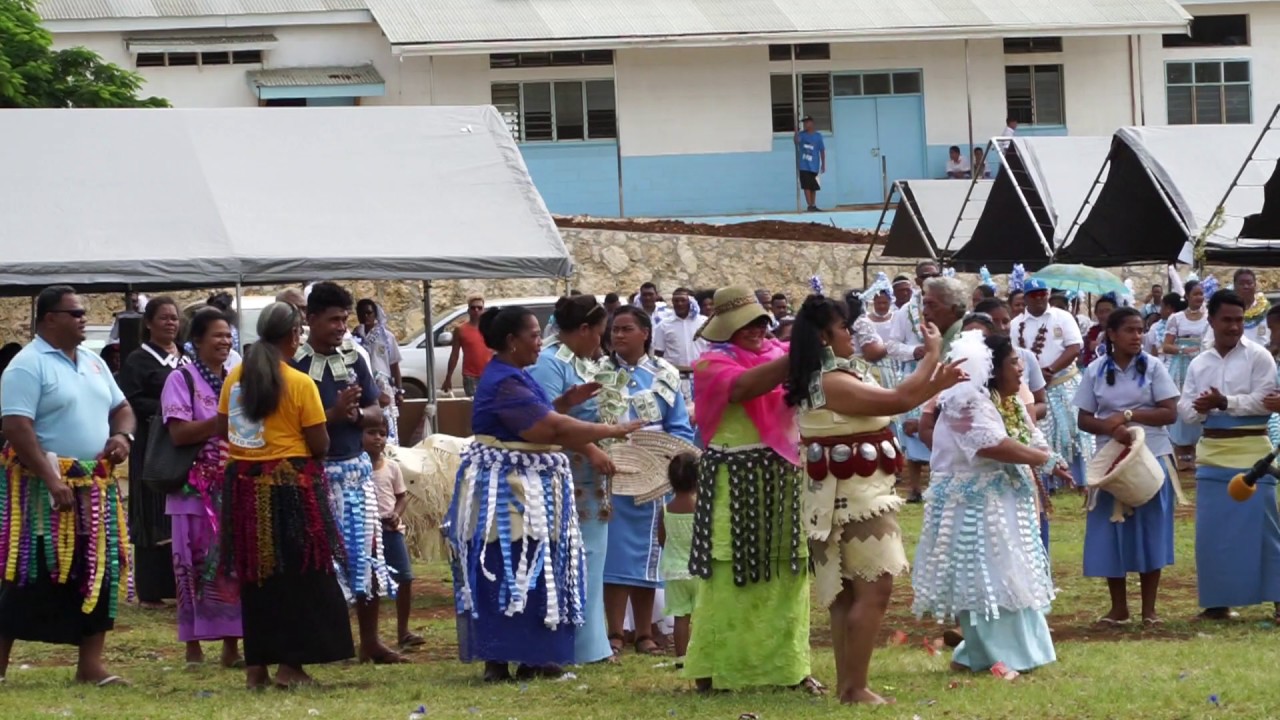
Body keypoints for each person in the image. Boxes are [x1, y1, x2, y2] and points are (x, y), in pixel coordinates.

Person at [444, 305, 640, 682]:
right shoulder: (505, 381)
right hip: (508, 491)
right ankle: (509, 658)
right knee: (513, 565)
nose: (540, 342)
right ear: (511, 341)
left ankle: (525, 658)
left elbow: (539, 416)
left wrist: (566, 402)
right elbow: (548, 429)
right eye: (534, 335)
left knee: (528, 562)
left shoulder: (513, 374)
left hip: (524, 487)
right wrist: (610, 431)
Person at [785, 295, 962, 704]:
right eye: (843, 327)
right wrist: (932, 355)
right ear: (824, 337)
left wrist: (933, 375)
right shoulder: (832, 381)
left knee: (847, 595)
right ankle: (854, 686)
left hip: (840, 496)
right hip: (856, 499)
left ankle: (851, 685)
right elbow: (897, 400)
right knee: (872, 591)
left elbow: (902, 396)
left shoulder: (829, 377)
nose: (851, 333)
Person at [683, 287, 821, 694]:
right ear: (727, 328)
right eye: (745, 323)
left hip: (783, 481)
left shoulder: (780, 353)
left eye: (760, 321)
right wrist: (802, 352)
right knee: (728, 571)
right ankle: (715, 670)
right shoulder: (711, 364)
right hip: (734, 484)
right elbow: (743, 388)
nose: (756, 329)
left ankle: (790, 669)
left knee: (787, 569)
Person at [0, 286, 135, 685]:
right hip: (43, 491)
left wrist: (122, 436)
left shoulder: (93, 361)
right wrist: (49, 477)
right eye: (75, 313)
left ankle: (90, 666)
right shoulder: (27, 365)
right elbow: (16, 427)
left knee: (97, 571)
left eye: (83, 312)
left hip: (93, 487)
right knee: (29, 574)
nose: (83, 319)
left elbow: (122, 407)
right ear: (49, 318)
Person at [216, 301, 351, 688]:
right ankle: (291, 667)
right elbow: (320, 444)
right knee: (301, 578)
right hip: (292, 491)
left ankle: (256, 668)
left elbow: (225, 431)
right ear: (294, 335)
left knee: (257, 577)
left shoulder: (236, 378)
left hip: (246, 491)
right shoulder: (299, 383)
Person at [913, 331, 1056, 678]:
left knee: (1011, 572)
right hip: (972, 506)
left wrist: (1049, 457)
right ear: (992, 369)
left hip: (1003, 501)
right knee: (986, 575)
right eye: (1013, 362)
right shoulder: (964, 401)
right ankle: (994, 655)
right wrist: (1040, 458)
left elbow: (1031, 437)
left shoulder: (1008, 402)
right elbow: (990, 444)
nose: (1021, 368)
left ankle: (999, 653)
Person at [293, 282, 400, 664]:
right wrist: (333, 414)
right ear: (311, 319)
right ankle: (327, 644)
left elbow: (376, 411)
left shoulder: (354, 358)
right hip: (314, 473)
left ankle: (370, 642)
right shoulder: (294, 365)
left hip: (355, 472)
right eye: (333, 320)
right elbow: (291, 423)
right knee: (319, 561)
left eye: (344, 319)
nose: (341, 327)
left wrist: (354, 416)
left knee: (366, 554)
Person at [599, 306, 696, 657]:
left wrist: (667, 462)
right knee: (613, 555)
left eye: (627, 329)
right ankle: (614, 632)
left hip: (654, 474)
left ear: (645, 333)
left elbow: (679, 426)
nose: (619, 335)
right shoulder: (598, 373)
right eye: (615, 329)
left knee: (648, 555)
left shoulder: (663, 373)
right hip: (610, 471)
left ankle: (644, 631)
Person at [1178, 290, 1280, 622]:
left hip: (1254, 454)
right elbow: (1185, 409)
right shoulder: (1199, 363)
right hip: (1212, 454)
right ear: (1211, 320)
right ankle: (1217, 603)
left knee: (1265, 530)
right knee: (1212, 533)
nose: (1234, 327)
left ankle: (1278, 600)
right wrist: (1200, 407)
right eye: (1227, 320)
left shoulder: (1259, 356)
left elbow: (1265, 401)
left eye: (1239, 320)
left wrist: (1225, 402)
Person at [1075, 307, 1180, 626]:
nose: (1137, 336)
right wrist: (1112, 429)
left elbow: (1169, 413)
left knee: (1151, 528)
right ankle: (1118, 608)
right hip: (1111, 460)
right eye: (1130, 330)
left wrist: (1130, 417)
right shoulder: (1095, 370)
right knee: (1112, 530)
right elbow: (1084, 419)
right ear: (1112, 334)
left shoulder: (1154, 367)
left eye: (1140, 330)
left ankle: (1150, 609)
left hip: (1151, 456)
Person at [528, 295, 617, 665]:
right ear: (583, 329)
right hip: (565, 474)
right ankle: (573, 644)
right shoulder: (549, 363)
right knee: (570, 558)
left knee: (591, 559)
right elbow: (544, 422)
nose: (600, 341)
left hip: (589, 476)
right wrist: (592, 449)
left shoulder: (579, 361)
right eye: (598, 333)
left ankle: (592, 644)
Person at [160, 308, 242, 667]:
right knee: (191, 564)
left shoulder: (236, 380)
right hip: (192, 491)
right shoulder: (181, 379)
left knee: (230, 565)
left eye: (228, 335)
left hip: (232, 487)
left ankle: (231, 647)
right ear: (197, 341)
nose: (225, 341)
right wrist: (220, 423)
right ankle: (192, 646)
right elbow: (178, 433)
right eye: (217, 335)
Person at [118, 296, 188, 609]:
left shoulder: (186, 358)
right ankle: (150, 589)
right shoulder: (139, 360)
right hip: (152, 444)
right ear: (149, 323)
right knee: (151, 509)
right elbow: (129, 400)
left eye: (175, 318)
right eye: (164, 318)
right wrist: (170, 407)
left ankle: (180, 583)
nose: (171, 323)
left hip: (183, 444)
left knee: (180, 508)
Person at [1011, 278, 1091, 491]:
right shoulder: (1016, 324)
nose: (1039, 298)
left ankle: (1080, 480)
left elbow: (1074, 348)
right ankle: (1048, 482)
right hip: (1031, 387)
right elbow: (1014, 354)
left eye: (1042, 294)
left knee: (1073, 432)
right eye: (1033, 295)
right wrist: (1034, 377)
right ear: (1026, 298)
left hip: (1064, 382)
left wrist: (1051, 370)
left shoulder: (1062, 316)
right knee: (1040, 433)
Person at [885, 261, 942, 503]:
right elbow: (892, 345)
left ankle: (939, 483)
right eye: (925, 276)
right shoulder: (905, 312)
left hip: (943, 372)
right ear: (917, 281)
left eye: (935, 275)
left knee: (940, 424)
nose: (930, 279)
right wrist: (914, 351)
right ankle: (915, 488)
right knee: (911, 427)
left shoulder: (949, 305)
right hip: (915, 373)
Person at [366, 417, 421, 650]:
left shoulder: (392, 467)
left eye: (382, 433)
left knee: (404, 578)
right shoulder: (356, 469)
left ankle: (403, 631)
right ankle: (371, 637)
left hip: (391, 531)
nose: (378, 438)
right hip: (367, 533)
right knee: (370, 583)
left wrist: (396, 515)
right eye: (371, 433)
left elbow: (401, 497)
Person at [657, 453, 698, 669]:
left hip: (674, 572)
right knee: (702, 616)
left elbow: (662, 540)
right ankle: (700, 655)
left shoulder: (665, 509)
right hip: (699, 571)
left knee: (681, 617)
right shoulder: (701, 508)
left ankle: (681, 658)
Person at [1164, 280, 1208, 471]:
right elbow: (1166, 346)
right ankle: (1181, 452)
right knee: (1182, 404)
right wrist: (1183, 350)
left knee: (1201, 403)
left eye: (1201, 294)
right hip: (1182, 367)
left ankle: (1199, 450)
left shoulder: (1209, 318)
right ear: (1187, 296)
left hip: (1203, 364)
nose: (1199, 297)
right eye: (1196, 294)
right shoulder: (1176, 318)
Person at [354, 299, 404, 444]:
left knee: (387, 420)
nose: (365, 316)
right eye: (361, 313)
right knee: (369, 420)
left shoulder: (387, 337)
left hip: (383, 385)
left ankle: (390, 447)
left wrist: (399, 390)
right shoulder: (355, 336)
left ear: (375, 314)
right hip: (365, 384)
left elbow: (394, 364)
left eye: (369, 313)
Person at [442, 295, 494, 398]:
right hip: (470, 376)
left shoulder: (491, 328)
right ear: (468, 310)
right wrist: (448, 377)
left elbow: (499, 351)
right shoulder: (460, 330)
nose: (476, 310)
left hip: (489, 374)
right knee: (474, 404)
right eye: (473, 308)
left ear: (483, 310)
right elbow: (454, 355)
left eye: (479, 308)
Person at [795, 115, 826, 211]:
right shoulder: (802, 135)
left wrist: (823, 164)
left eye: (807, 122)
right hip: (804, 165)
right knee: (806, 186)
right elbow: (796, 141)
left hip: (814, 165)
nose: (805, 124)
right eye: (804, 123)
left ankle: (813, 204)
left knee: (813, 186)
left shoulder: (818, 136)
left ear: (812, 123)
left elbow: (822, 150)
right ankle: (809, 205)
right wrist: (796, 132)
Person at [1081, 293, 1118, 366]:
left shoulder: (1122, 333)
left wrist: (1101, 348)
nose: (1104, 315)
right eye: (1101, 312)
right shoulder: (1091, 334)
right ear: (1096, 314)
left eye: (1108, 311)